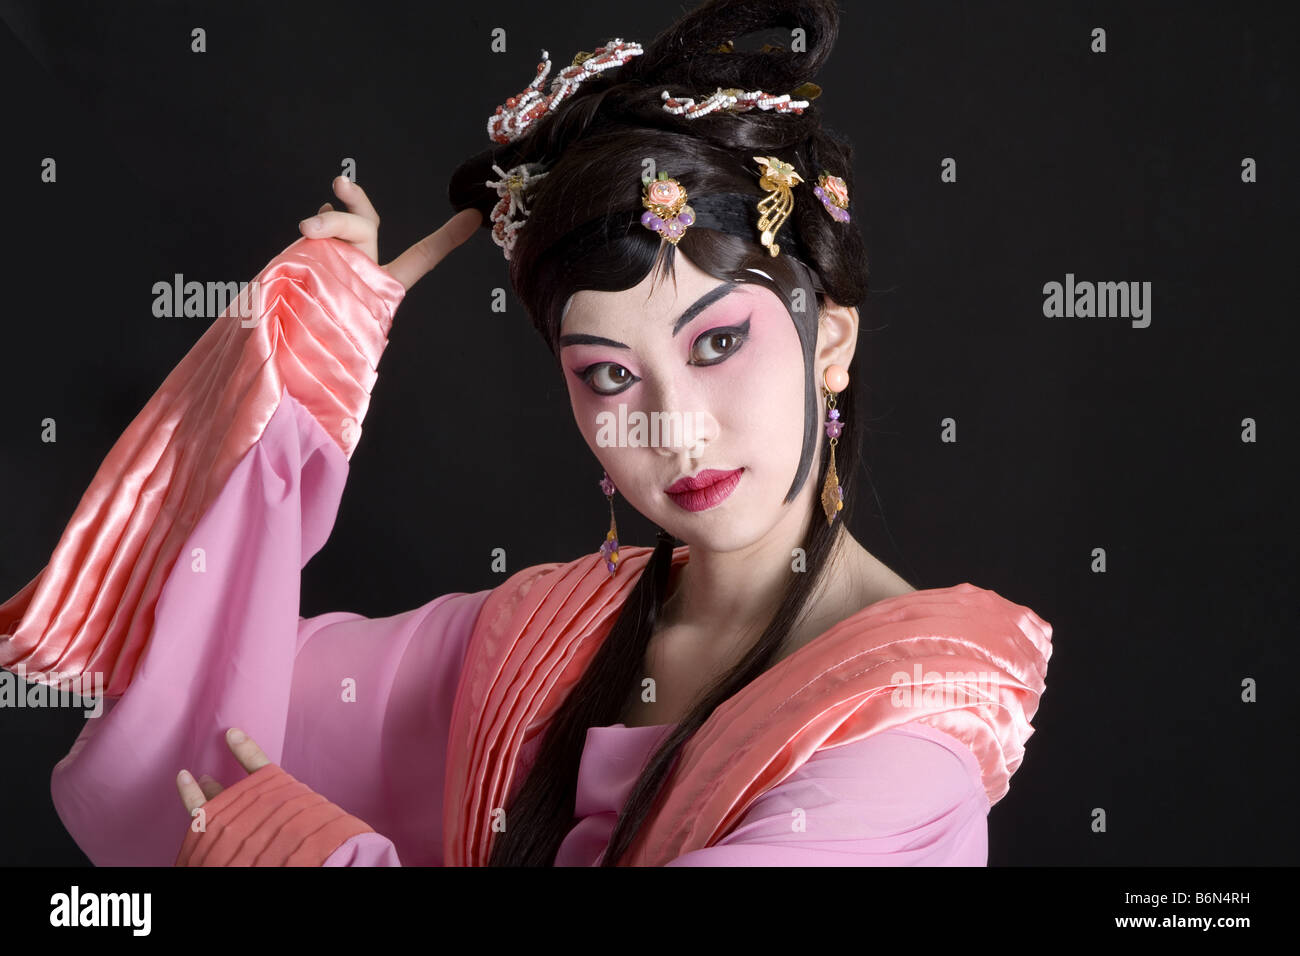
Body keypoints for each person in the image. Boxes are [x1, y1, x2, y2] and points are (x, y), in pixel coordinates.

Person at [0, 0, 1051, 867]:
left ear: (832, 342)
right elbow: (197, 705)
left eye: (720, 342)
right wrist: (301, 369)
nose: (670, 425)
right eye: (606, 372)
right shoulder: (544, 633)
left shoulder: (905, 732)